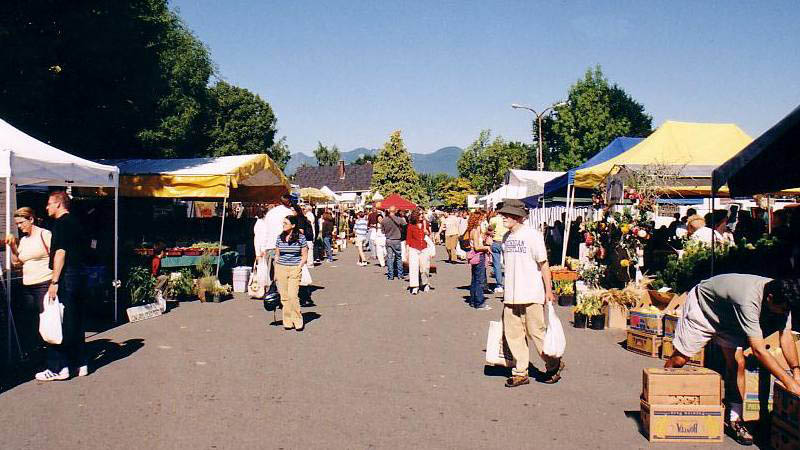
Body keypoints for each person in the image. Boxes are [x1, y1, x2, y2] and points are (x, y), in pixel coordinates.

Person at [664, 274, 800, 445]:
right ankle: (657, 391)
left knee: (738, 364)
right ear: (770, 298)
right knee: (679, 360)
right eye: (781, 310)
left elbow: (786, 336)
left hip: (730, 320)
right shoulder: (748, 299)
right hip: (704, 309)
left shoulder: (783, 297)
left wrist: (796, 371)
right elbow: (758, 350)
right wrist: (789, 383)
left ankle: (735, 419)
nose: (783, 314)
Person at [497, 199, 563, 387]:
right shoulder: (506, 238)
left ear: (518, 217)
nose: (503, 218)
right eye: (503, 215)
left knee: (537, 333)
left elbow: (543, 264)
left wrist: (548, 290)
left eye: (507, 215)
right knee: (513, 335)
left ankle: (553, 364)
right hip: (511, 295)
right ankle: (520, 372)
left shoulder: (532, 235)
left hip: (532, 293)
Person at [37, 191, 87, 381]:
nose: (46, 207)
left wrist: (54, 281)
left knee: (61, 322)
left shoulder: (61, 224)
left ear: (58, 204)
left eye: (49, 203)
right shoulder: (76, 222)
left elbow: (60, 253)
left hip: (67, 276)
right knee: (76, 321)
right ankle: (81, 364)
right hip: (80, 275)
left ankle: (59, 367)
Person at [7, 207, 53, 361]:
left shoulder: (44, 234)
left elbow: (57, 256)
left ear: (31, 219)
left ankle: (53, 352)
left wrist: (55, 282)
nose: (19, 226)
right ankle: (39, 352)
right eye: (17, 224)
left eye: (21, 222)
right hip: (28, 285)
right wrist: (13, 247)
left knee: (46, 319)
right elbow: (16, 263)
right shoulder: (24, 240)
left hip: (44, 283)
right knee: (32, 320)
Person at [274, 215, 308, 331]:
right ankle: (287, 321)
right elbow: (277, 255)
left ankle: (298, 320)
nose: (283, 225)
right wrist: (275, 269)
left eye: (286, 223)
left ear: (293, 225)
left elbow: (304, 255)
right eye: (283, 223)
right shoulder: (280, 237)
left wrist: (299, 266)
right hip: (281, 268)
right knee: (284, 297)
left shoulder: (301, 238)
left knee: (293, 295)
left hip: (294, 268)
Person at [258, 194, 294, 300]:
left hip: (270, 245)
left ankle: (273, 294)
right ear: (289, 202)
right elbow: (291, 230)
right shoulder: (289, 213)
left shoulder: (270, 213)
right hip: (284, 246)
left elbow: (265, 231)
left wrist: (263, 247)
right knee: (283, 273)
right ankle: (282, 296)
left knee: (272, 272)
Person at [466, 210, 491, 310]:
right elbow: (477, 247)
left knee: (475, 279)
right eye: (481, 219)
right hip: (478, 255)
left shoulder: (472, 230)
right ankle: (479, 302)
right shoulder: (475, 231)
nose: (482, 221)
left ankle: (473, 300)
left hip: (474, 256)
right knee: (479, 280)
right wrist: (486, 248)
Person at [406, 211, 431, 295]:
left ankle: (425, 283)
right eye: (419, 214)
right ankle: (414, 286)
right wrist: (407, 251)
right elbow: (408, 239)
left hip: (424, 248)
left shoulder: (425, 224)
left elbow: (428, 234)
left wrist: (424, 228)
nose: (421, 216)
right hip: (413, 248)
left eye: (422, 214)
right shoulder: (410, 226)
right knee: (413, 267)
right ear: (415, 216)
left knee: (425, 267)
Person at [382, 206, 406, 280]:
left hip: (388, 240)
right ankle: (400, 275)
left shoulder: (384, 220)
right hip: (397, 239)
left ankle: (390, 275)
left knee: (389, 258)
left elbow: (382, 231)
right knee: (398, 257)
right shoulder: (400, 219)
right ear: (395, 211)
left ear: (389, 211)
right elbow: (405, 226)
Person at [488, 209, 507, 293]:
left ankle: (499, 285)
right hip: (507, 242)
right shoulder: (507, 219)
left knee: (496, 264)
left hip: (496, 241)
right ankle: (509, 283)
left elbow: (489, 230)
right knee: (509, 264)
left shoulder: (493, 219)